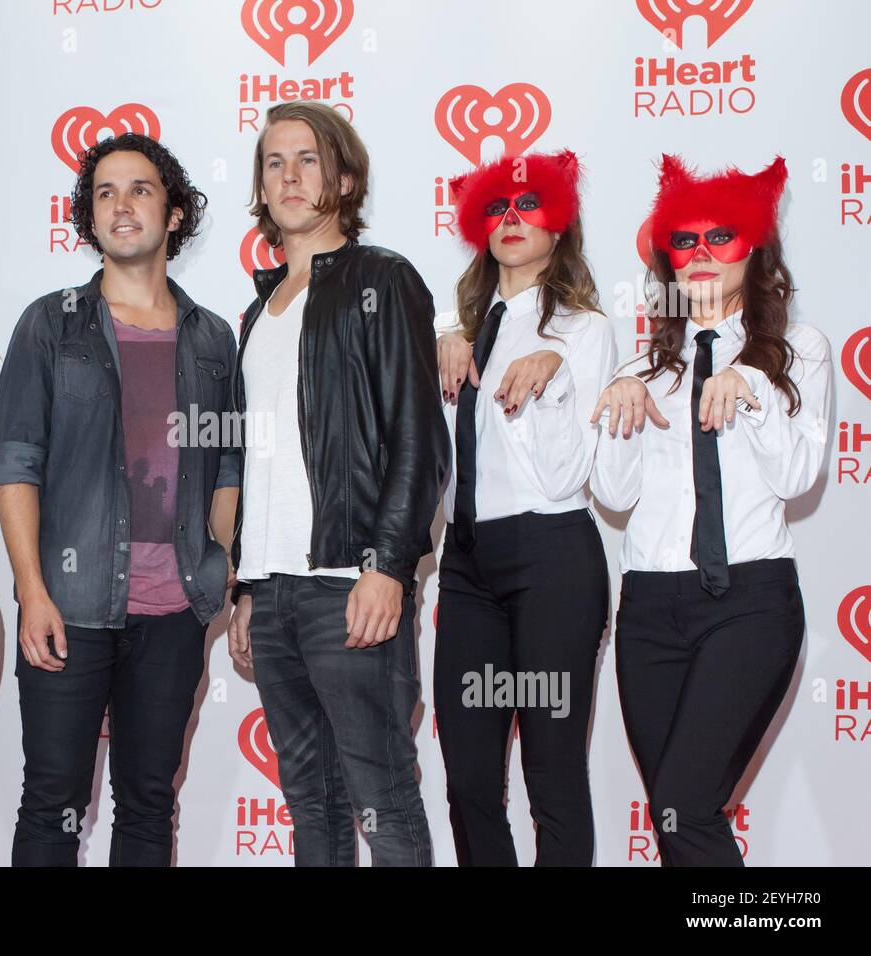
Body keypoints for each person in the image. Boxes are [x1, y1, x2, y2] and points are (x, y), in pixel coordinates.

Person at [0, 133, 239, 866]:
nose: (121, 206)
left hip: (173, 615)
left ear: (176, 214)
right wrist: (32, 592)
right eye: (104, 192)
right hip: (70, 605)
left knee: (149, 804)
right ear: (88, 217)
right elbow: (16, 464)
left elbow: (227, 462)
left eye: (140, 189)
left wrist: (217, 561)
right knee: (54, 800)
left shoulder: (213, 339)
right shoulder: (50, 322)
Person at [590, 154, 830, 866]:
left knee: (687, 807)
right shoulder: (639, 370)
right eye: (684, 241)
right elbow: (614, 494)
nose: (700, 255)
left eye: (719, 237)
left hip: (750, 604)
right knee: (674, 817)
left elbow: (799, 474)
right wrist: (618, 416)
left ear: (754, 249)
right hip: (648, 612)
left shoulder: (797, 352)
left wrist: (750, 387)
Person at [225, 101, 446, 867]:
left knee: (382, 798)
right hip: (275, 589)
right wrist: (247, 591)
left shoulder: (380, 279)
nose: (289, 175)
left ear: (344, 177)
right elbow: (260, 460)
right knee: (310, 803)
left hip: (347, 583)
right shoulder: (258, 309)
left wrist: (387, 565)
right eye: (274, 162)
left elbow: (421, 440)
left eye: (309, 159)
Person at [432, 149, 616, 866]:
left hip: (553, 560)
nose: (510, 220)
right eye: (495, 210)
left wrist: (558, 378)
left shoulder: (584, 330)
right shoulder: (460, 330)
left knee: (552, 770)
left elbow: (573, 475)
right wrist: (444, 340)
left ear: (559, 222)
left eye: (527, 206)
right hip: (467, 565)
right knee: (470, 779)